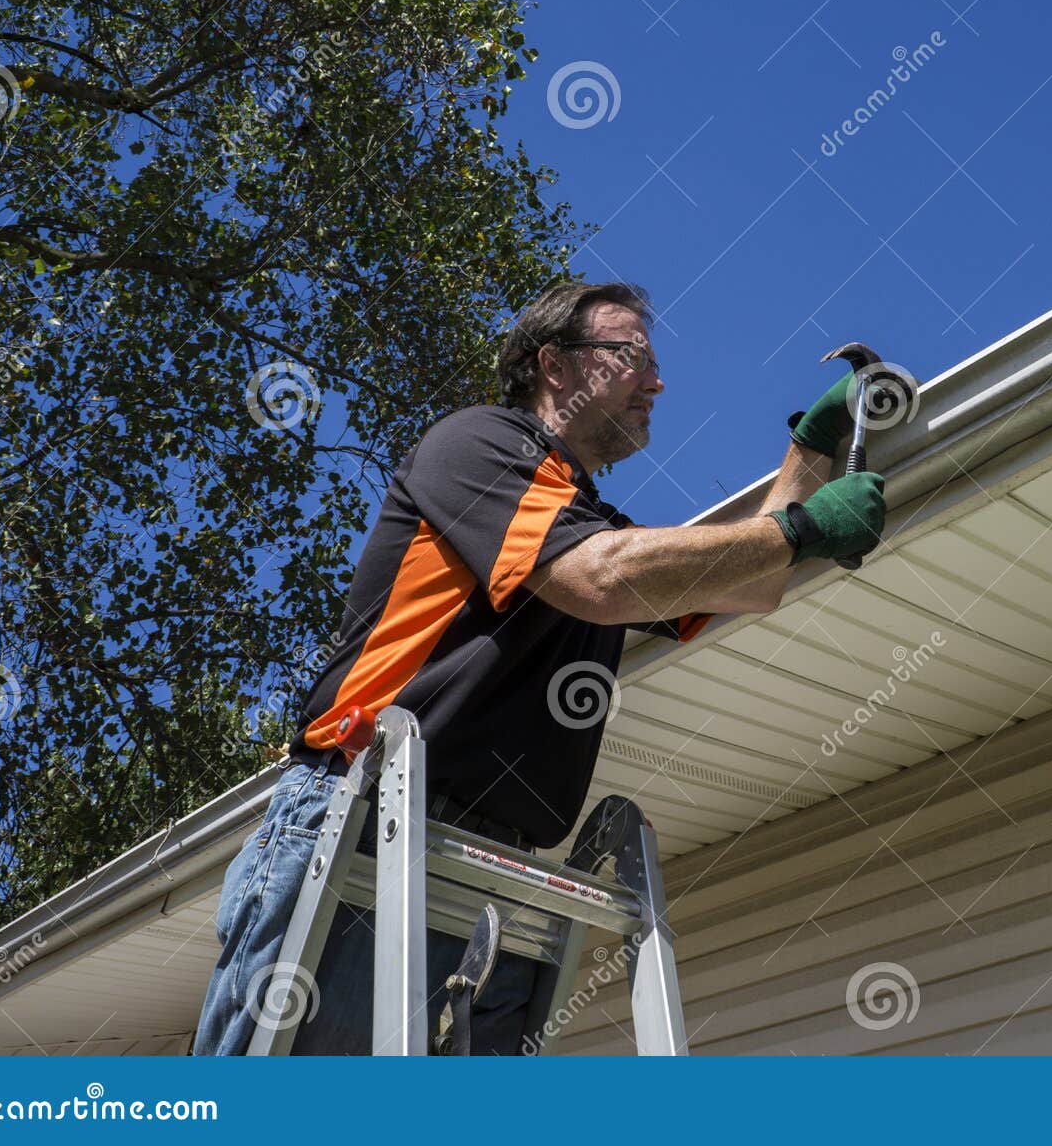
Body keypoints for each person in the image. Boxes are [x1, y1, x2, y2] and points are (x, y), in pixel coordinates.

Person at [193, 280, 886, 1054]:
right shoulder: (477, 445)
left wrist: (809, 452)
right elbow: (603, 576)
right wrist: (804, 525)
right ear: (554, 364)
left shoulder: (578, 520)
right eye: (632, 357)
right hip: (361, 827)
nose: (657, 383)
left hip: (482, 872)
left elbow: (746, 579)